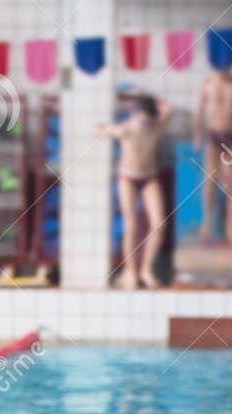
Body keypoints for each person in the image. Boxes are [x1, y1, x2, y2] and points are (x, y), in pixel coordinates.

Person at [100, 95, 173, 289]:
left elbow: (167, 107)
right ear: (134, 115)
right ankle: (130, 271)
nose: (146, 125)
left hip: (149, 177)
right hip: (127, 178)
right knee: (131, 225)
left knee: (159, 225)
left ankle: (146, 270)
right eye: (143, 120)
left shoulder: (157, 125)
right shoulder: (126, 129)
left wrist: (136, 97)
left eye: (149, 120)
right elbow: (101, 130)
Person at [196, 64, 232, 243]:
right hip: (213, 137)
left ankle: (231, 227)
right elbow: (200, 111)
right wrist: (198, 134)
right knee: (209, 180)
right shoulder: (207, 83)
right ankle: (206, 221)